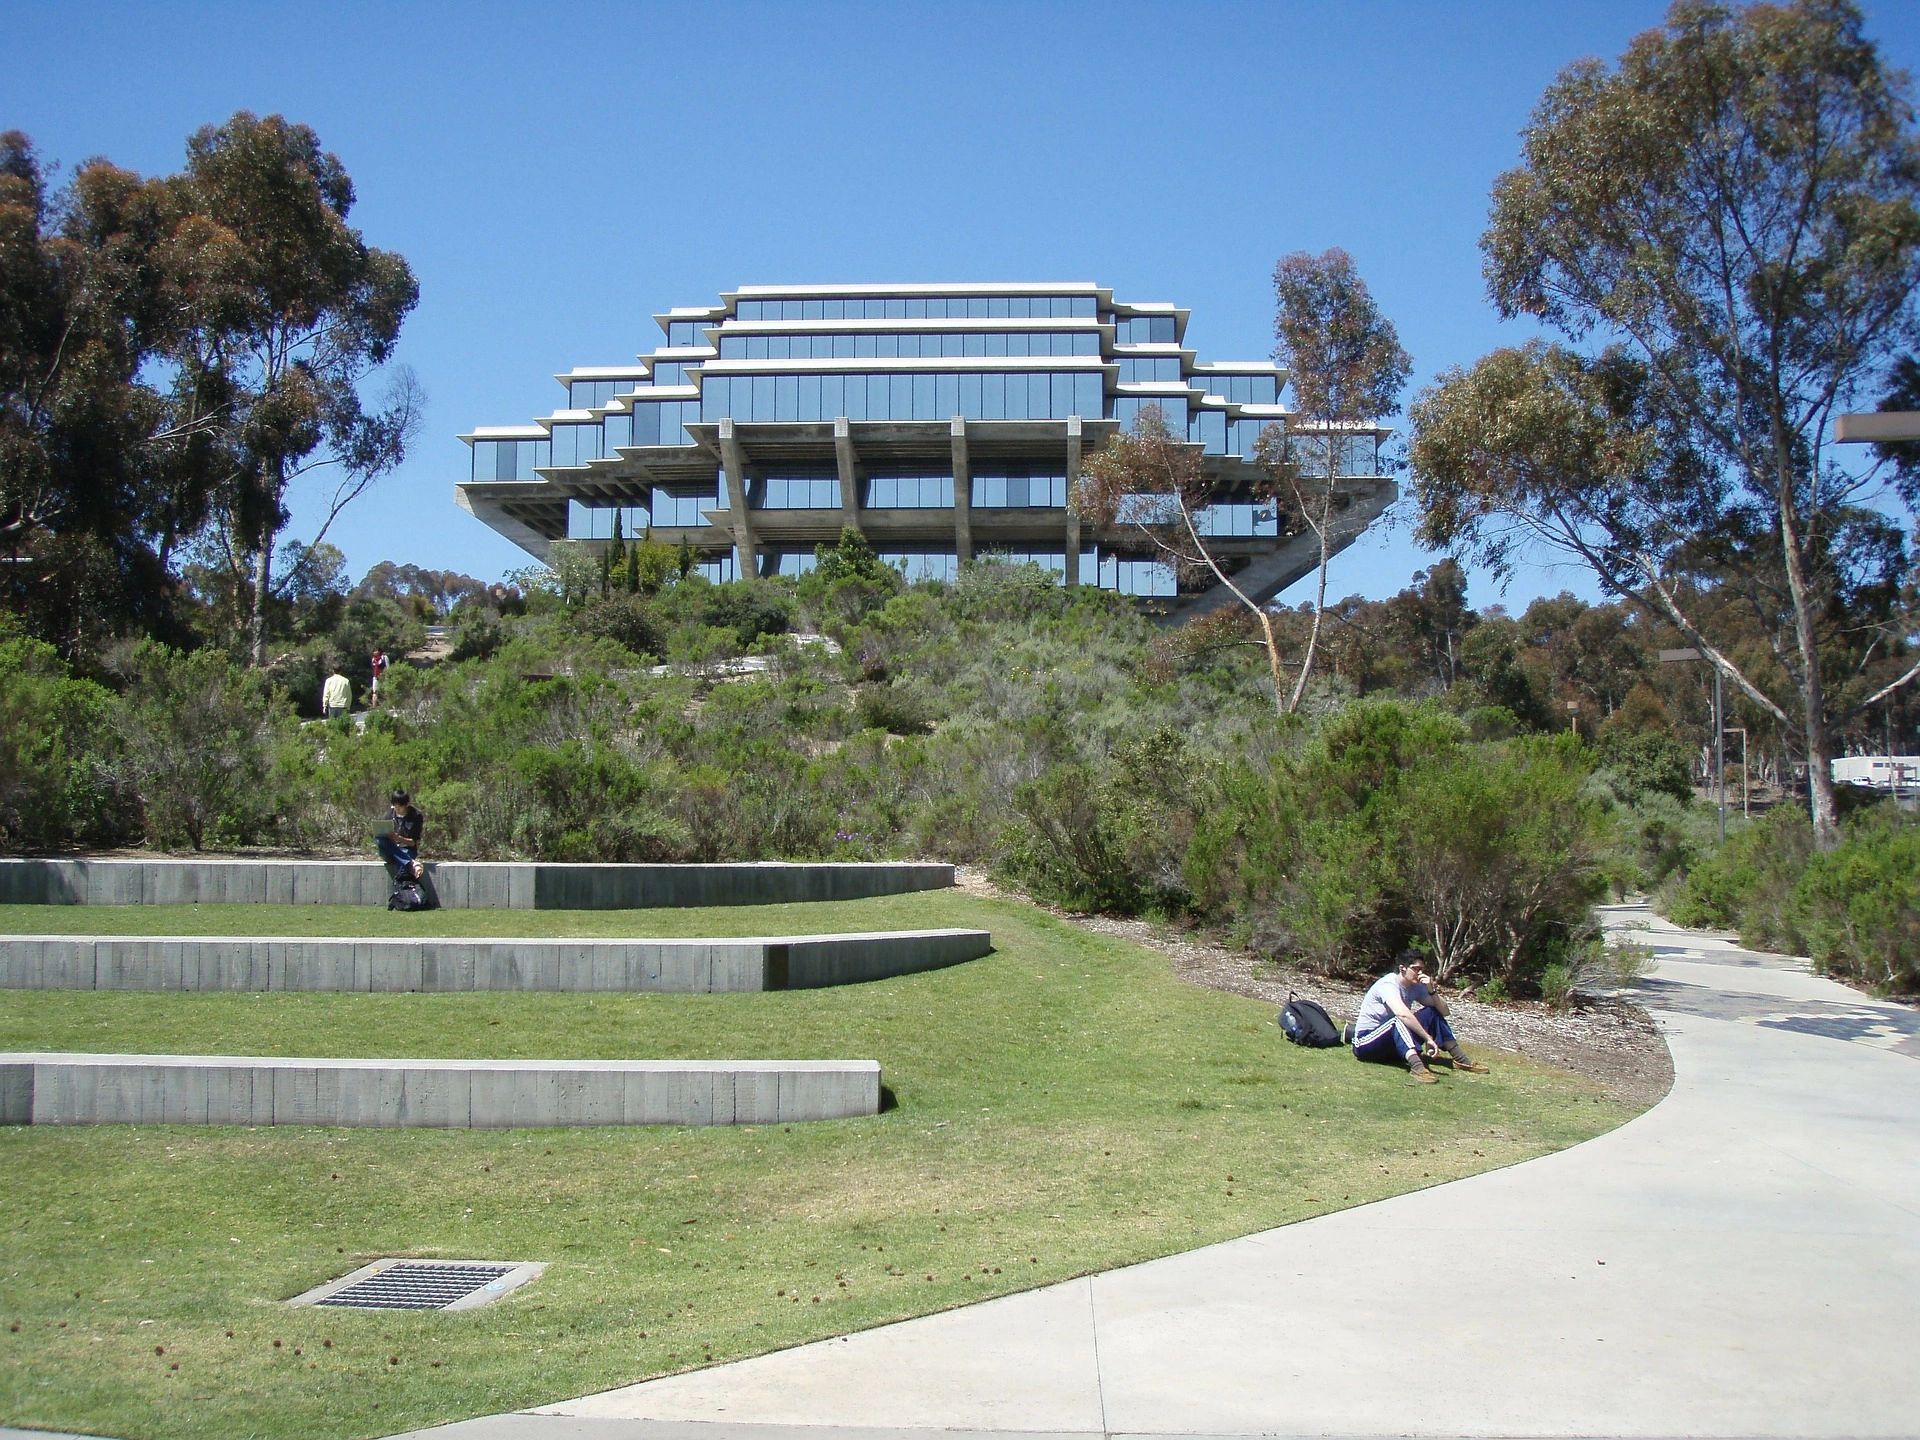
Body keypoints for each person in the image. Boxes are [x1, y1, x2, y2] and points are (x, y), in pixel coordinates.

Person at [1350, 951, 1488, 1083]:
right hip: (1366, 1044)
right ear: (1402, 968)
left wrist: (1431, 990)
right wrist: (1427, 1038)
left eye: (1422, 969)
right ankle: (1418, 1067)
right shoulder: (1388, 984)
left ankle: (1461, 1059)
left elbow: (1444, 1011)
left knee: (1432, 1012)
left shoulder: (1416, 986)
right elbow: (1402, 1014)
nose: (1420, 973)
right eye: (1416, 969)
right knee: (1398, 1020)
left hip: (1393, 1045)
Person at [376, 788, 425, 882]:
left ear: (407, 804)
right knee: (379, 839)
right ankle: (411, 863)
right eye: (394, 806)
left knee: (403, 868)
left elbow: (413, 843)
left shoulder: (416, 816)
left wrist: (399, 838)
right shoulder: (389, 814)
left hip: (407, 849)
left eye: (399, 807)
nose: (396, 809)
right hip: (390, 849)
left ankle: (403, 890)